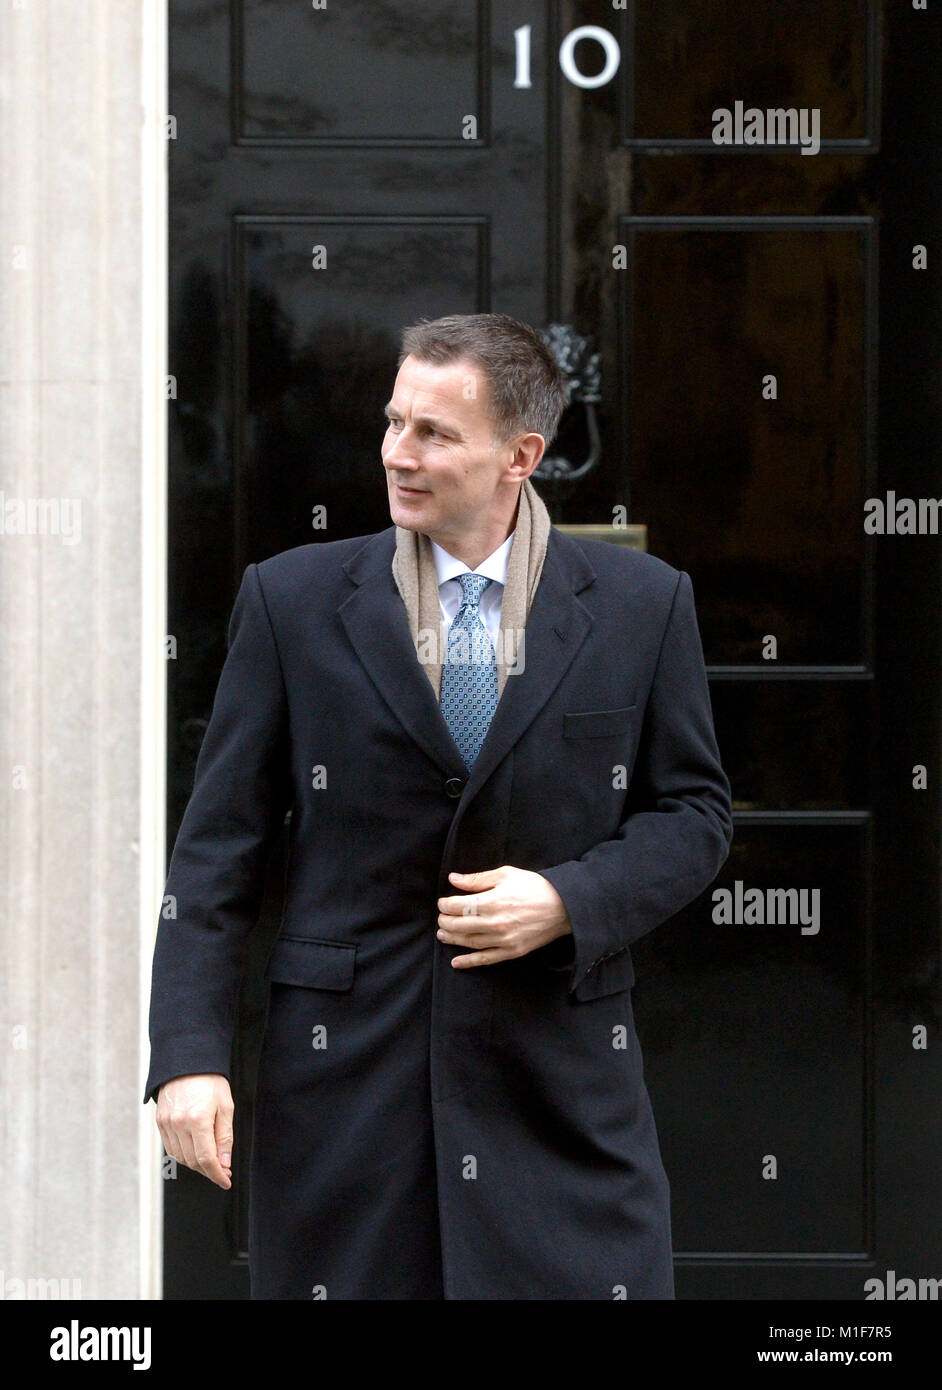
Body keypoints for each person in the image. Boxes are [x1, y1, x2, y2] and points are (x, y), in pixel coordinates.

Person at [145, 312, 732, 1300]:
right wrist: (188, 1055)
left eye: (433, 433)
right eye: (393, 422)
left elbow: (696, 815)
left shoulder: (643, 603)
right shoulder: (289, 599)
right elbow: (219, 851)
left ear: (522, 454)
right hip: (346, 1098)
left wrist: (570, 900)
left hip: (561, 1099)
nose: (396, 454)